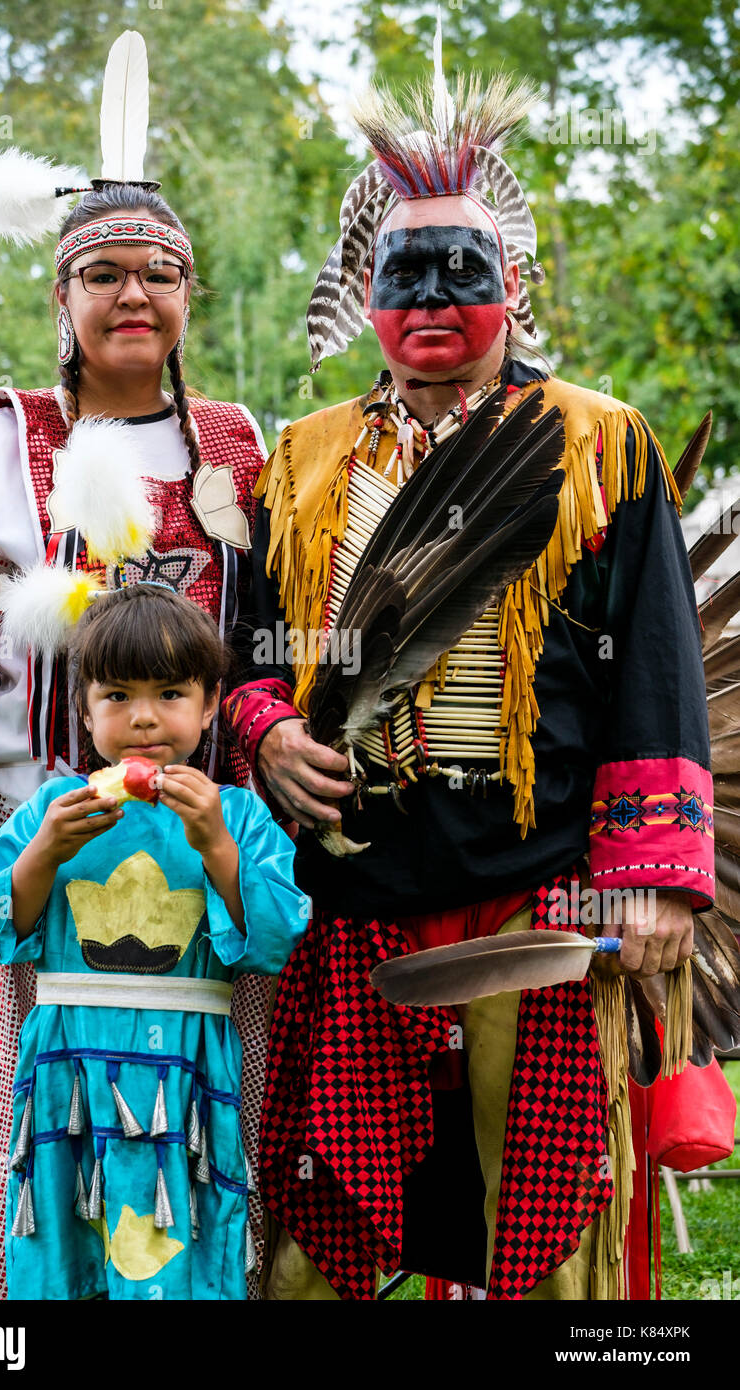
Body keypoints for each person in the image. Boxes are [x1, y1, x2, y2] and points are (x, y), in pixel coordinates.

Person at [223, 41, 715, 1300]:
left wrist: (652, 879)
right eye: (404, 271)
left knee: (543, 1226)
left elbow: (651, 665)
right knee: (327, 1219)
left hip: (535, 894)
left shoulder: (597, 444)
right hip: (352, 894)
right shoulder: (300, 460)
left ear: (513, 284)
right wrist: (269, 730)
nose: (433, 296)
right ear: (361, 291)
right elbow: (247, 650)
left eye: (465, 270)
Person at [0, 31, 268, 1299]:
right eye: (102, 275)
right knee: (42, 1142)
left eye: (158, 274)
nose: (132, 297)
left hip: (195, 849)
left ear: (190, 296)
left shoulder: (235, 449)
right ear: (60, 297)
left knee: (193, 1146)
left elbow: (269, 645)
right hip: (40, 841)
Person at [0, 585, 306, 1299]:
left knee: (175, 1247)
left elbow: (273, 940)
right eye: (116, 695)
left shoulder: (237, 814)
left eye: (170, 693)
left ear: (211, 704)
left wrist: (215, 844)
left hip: (183, 1074)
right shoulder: (52, 811)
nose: (144, 717)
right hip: (72, 1071)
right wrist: (41, 857)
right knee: (68, 1243)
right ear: (84, 710)